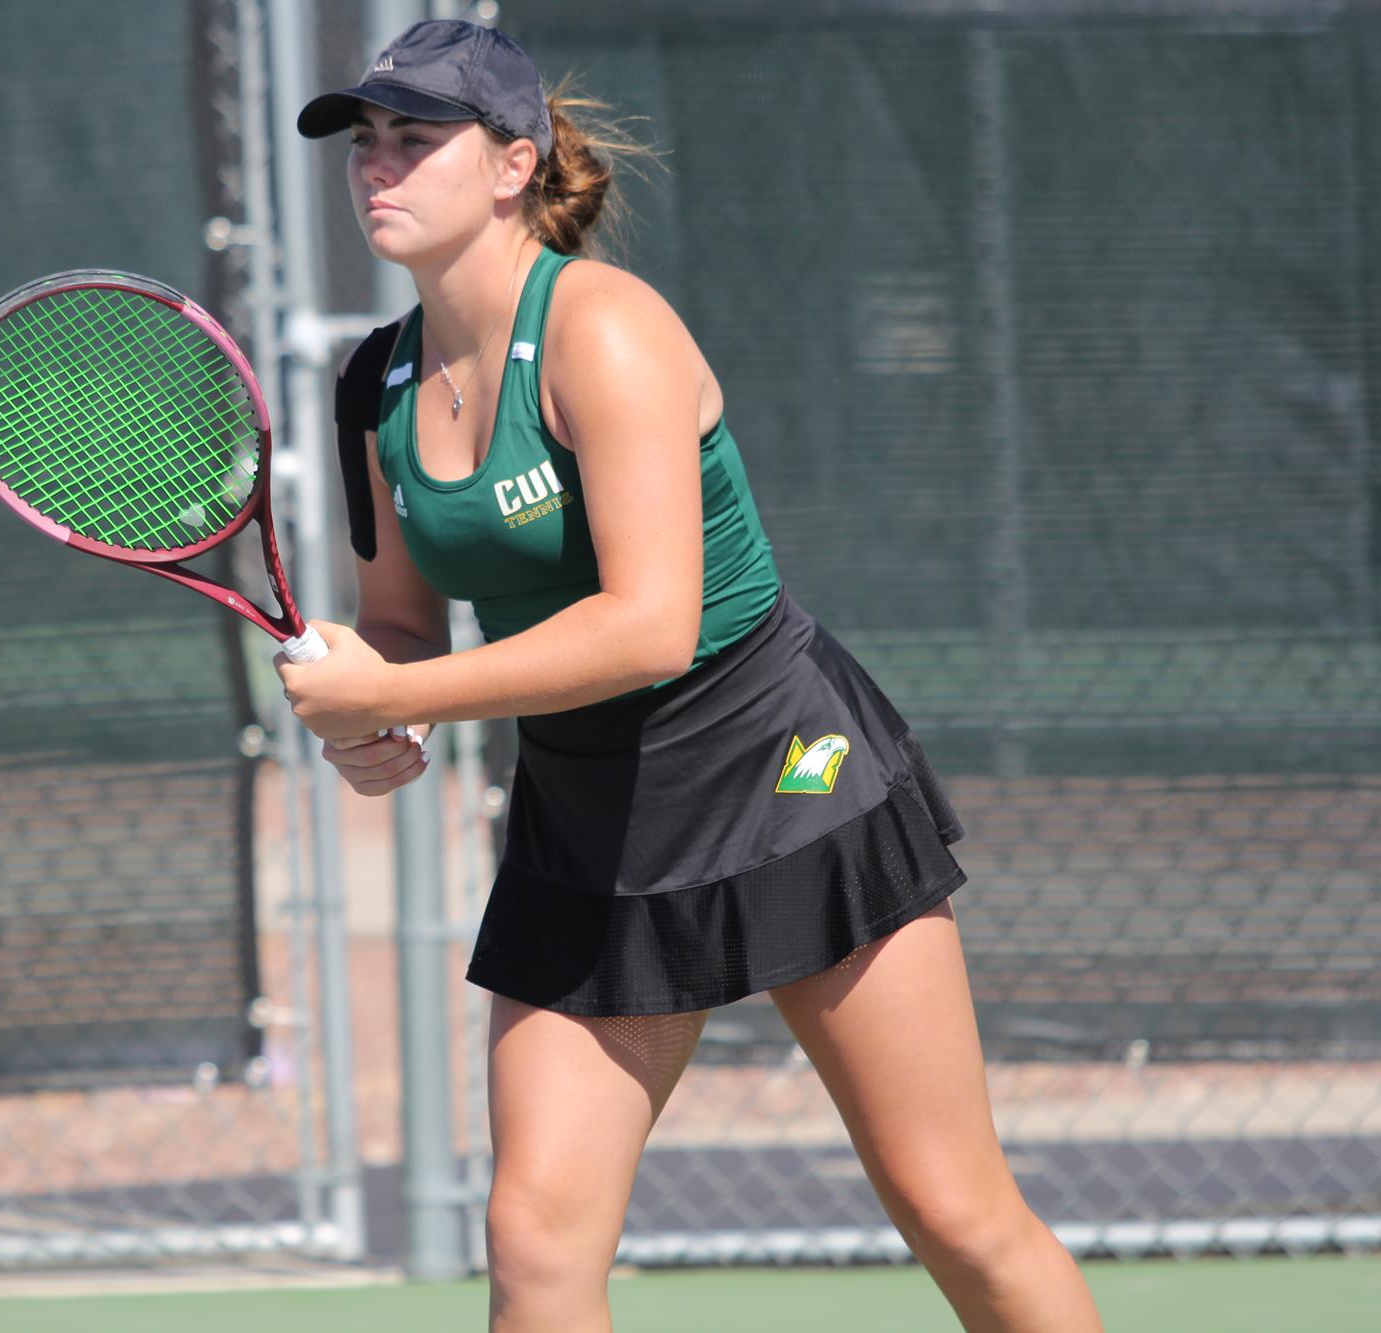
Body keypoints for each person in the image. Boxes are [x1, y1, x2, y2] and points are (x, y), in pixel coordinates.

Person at [275, 18, 1103, 1333]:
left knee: (951, 1203)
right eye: (362, 145)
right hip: (585, 816)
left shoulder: (606, 330)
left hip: (787, 769)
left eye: (414, 141)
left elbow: (651, 624)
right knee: (534, 1239)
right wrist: (368, 700)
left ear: (509, 166)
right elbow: (403, 621)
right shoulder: (370, 383)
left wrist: (402, 698)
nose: (377, 169)